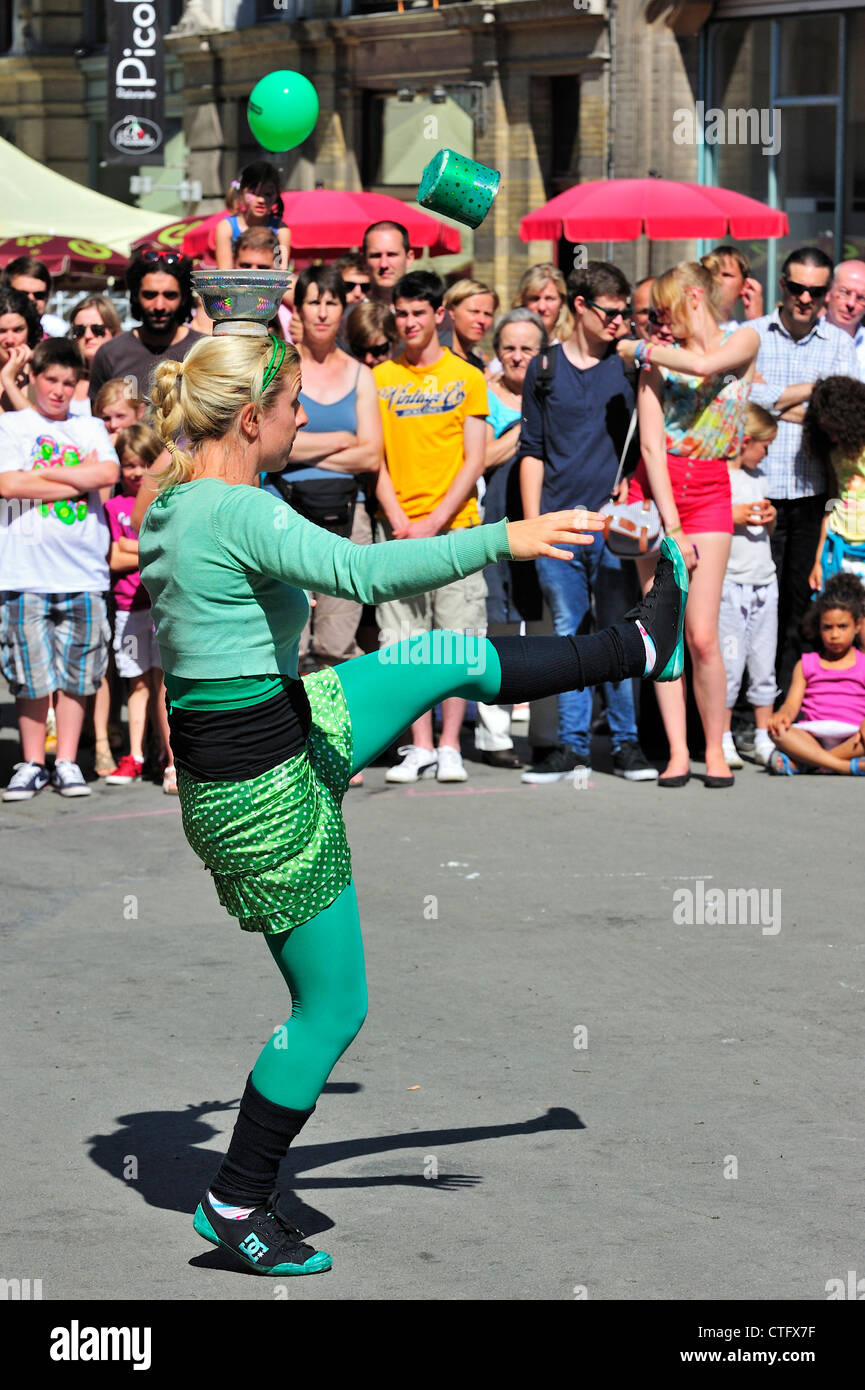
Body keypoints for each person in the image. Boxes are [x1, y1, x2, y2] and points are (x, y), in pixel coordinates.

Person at [135, 324, 689, 1277]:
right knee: (330, 1009)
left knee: (437, 657)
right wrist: (503, 534)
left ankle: (633, 650)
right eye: (290, 406)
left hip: (272, 725)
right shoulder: (236, 509)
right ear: (250, 415)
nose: (303, 417)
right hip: (260, 782)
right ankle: (232, 1199)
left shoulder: (177, 494)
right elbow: (363, 572)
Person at [617, 261, 760, 788]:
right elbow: (651, 445)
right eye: (652, 314)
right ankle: (678, 751)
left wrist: (639, 348)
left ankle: (714, 748)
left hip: (711, 486)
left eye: (665, 309)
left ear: (694, 298)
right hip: (657, 493)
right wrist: (672, 526)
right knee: (664, 630)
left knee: (703, 635)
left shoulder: (742, 338)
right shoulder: (656, 360)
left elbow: (706, 367)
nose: (659, 320)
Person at [519, 262, 657, 784]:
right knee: (567, 634)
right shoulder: (545, 368)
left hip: (614, 525)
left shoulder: (628, 366)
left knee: (619, 633)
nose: (621, 321)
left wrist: (634, 483)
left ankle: (625, 744)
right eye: (611, 312)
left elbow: (650, 442)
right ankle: (571, 746)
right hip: (559, 523)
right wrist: (533, 525)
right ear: (580, 306)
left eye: (625, 312)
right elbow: (532, 449)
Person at [372, 269, 489, 783]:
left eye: (420, 312)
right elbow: (372, 459)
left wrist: (435, 521)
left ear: (439, 315)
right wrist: (400, 518)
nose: (410, 322)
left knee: (456, 641)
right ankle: (418, 745)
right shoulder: (377, 378)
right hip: (397, 530)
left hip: (456, 529)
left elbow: (475, 459)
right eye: (402, 313)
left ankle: (449, 745)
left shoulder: (467, 377)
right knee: (403, 641)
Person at [0, 338, 119, 801]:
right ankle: (32, 762)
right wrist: (74, 480)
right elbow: (7, 485)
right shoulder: (12, 425)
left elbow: (106, 475)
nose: (59, 391)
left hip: (82, 572)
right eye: (51, 380)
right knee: (29, 674)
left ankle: (66, 760)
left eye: (69, 383)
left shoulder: (89, 427)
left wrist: (40, 478)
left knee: (77, 674)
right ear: (34, 378)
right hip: (23, 570)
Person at [747, 247, 860, 697]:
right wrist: (813, 391)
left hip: (814, 495)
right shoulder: (752, 335)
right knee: (754, 605)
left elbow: (842, 417)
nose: (805, 298)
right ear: (782, 285)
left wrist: (770, 401)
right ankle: (745, 710)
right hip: (760, 492)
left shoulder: (840, 343)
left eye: (815, 291)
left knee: (798, 607)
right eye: (797, 288)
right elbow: (741, 402)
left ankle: (783, 702)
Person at [264, 265, 381, 678]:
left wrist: (298, 450)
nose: (322, 312)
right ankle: (287, 737)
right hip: (285, 515)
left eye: (331, 302)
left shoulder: (360, 374)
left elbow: (370, 458)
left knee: (336, 642)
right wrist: (340, 441)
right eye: (314, 301)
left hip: (348, 516)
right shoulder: (278, 367)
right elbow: (270, 445)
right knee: (287, 642)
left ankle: (340, 738)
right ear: (300, 308)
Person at [475, 306, 547, 769]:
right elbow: (478, 458)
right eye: (509, 349)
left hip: (547, 520)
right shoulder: (484, 395)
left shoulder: (555, 391)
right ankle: (493, 734)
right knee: (498, 624)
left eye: (528, 348)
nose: (518, 357)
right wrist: (525, 430)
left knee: (545, 626)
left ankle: (547, 733)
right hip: (498, 522)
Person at [103, 423, 177, 792]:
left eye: (145, 464)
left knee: (165, 684)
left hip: (160, 605)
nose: (137, 473)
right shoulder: (113, 505)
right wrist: (146, 552)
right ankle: (135, 755)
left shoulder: (163, 501)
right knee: (138, 684)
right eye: (129, 464)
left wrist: (132, 550)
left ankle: (172, 759)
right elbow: (115, 557)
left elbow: (163, 547)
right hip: (128, 610)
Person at [718, 403, 779, 770]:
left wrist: (768, 518)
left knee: (762, 661)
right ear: (745, 441)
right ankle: (721, 736)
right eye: (764, 445)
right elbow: (706, 522)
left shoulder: (759, 476)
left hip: (762, 579)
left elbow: (764, 526)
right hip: (730, 582)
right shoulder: (721, 476)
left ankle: (762, 736)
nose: (767, 453)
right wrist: (733, 515)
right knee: (729, 662)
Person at [767, 572, 865, 775]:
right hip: (813, 735)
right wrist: (783, 714)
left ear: (857, 626)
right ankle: (843, 766)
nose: (835, 634)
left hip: (853, 736)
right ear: (818, 628)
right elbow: (792, 704)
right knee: (778, 731)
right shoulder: (806, 663)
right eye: (827, 627)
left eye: (842, 626)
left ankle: (808, 762)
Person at [88, 250, 204, 404]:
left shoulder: (203, 351)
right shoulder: (109, 354)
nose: (159, 305)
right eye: (150, 295)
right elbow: (99, 422)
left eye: (170, 295)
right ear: (135, 295)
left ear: (183, 297)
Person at [806, 376, 865, 590]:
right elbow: (831, 502)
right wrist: (818, 559)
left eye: (834, 429)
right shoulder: (833, 453)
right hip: (839, 545)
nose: (831, 437)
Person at [214, 161, 291, 271]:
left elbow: (282, 272)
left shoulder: (281, 230)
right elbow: (224, 272)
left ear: (277, 195)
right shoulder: (226, 228)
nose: (261, 200)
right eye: (254, 193)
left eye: (268, 194)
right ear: (241, 192)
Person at [67, 295, 123, 414]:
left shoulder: (127, 375)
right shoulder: (65, 377)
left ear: (113, 331)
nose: (87, 336)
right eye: (79, 330)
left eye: (97, 329)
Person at [441, 279, 499, 373]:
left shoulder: (480, 364)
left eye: (488, 314)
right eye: (474, 312)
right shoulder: (437, 360)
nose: (482, 320)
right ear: (451, 311)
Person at [700, 246, 764, 328]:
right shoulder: (684, 328)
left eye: (726, 275)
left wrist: (756, 320)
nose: (717, 280)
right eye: (712, 273)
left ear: (745, 286)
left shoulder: (743, 332)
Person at [3, 255, 67, 337]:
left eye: (39, 295)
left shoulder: (54, 348)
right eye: (22, 294)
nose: (31, 299)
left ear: (47, 299)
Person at [0, 285, 41, 413]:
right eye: (2, 331)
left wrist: (9, 381)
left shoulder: (42, 371)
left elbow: (38, 426)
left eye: (18, 330)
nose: (10, 340)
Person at [824, 259, 865, 381]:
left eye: (861, 297)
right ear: (828, 292)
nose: (851, 304)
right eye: (844, 292)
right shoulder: (805, 337)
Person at [362, 221, 414, 305]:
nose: (383, 264)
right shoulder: (349, 315)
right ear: (364, 260)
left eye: (391, 255)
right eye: (376, 255)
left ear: (409, 258)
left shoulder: (430, 314)